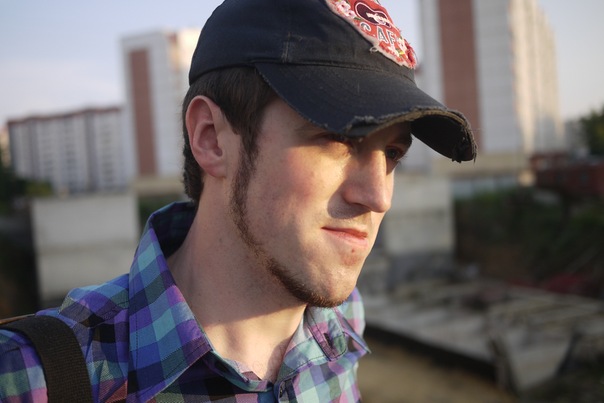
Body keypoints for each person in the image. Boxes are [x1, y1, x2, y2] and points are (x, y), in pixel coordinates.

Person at [0, 0, 476, 401]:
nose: (378, 196)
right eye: (339, 140)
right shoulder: (31, 378)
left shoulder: (341, 322)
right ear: (211, 138)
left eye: (392, 154)